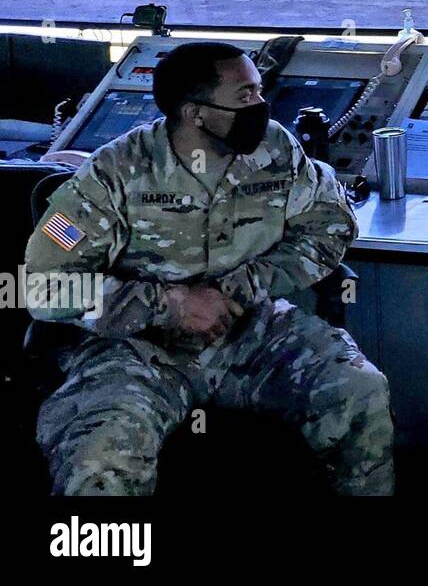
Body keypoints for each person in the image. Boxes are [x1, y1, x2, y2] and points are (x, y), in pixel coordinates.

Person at [25, 42, 394, 495]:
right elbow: (45, 288)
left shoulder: (276, 149)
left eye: (260, 92)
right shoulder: (114, 173)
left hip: (249, 328)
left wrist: (245, 284)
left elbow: (329, 227)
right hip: (136, 346)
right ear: (195, 114)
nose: (260, 107)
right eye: (245, 97)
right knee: (101, 454)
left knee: (358, 389)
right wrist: (170, 305)